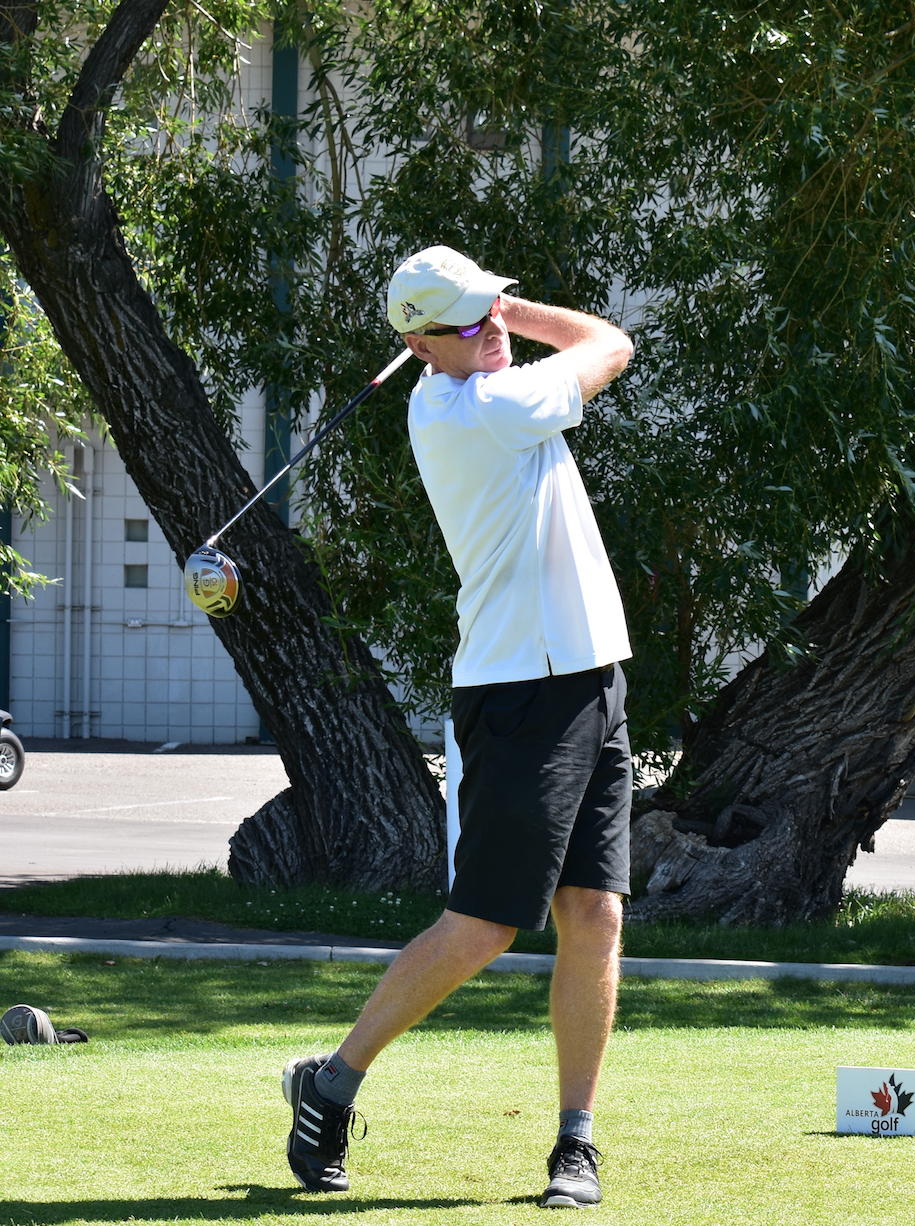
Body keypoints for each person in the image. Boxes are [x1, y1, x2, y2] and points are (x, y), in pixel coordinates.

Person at [280, 245, 636, 1209]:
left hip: (593, 678)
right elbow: (612, 343)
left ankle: (574, 1142)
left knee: (594, 914)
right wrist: (521, 310)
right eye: (466, 320)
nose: (490, 329)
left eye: (491, 311)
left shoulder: (474, 387)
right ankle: (333, 1080)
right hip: (520, 694)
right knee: (484, 925)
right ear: (418, 343)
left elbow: (563, 349)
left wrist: (487, 313)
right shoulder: (481, 409)